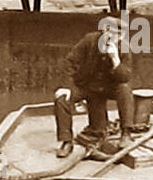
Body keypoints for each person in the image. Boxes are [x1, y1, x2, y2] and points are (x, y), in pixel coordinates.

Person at [54, 15, 134, 158]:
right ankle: (66, 142)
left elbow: (125, 76)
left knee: (125, 89)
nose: (118, 38)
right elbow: (69, 62)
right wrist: (66, 86)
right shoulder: (89, 41)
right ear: (105, 31)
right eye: (116, 34)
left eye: (121, 35)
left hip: (109, 87)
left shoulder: (123, 48)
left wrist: (115, 59)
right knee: (62, 99)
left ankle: (126, 133)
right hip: (86, 86)